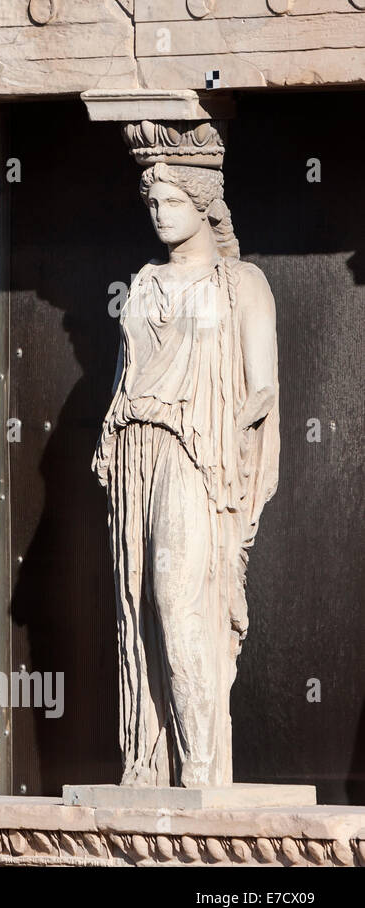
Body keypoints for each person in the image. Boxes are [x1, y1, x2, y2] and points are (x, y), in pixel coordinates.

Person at [93, 158, 279, 787]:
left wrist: (226, 447)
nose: (158, 212)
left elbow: (262, 387)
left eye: (170, 200)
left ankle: (200, 761)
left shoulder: (241, 282)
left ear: (203, 203)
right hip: (134, 449)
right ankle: (148, 761)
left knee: (181, 598)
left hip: (197, 452)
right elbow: (128, 373)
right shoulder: (143, 282)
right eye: (151, 202)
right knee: (138, 600)